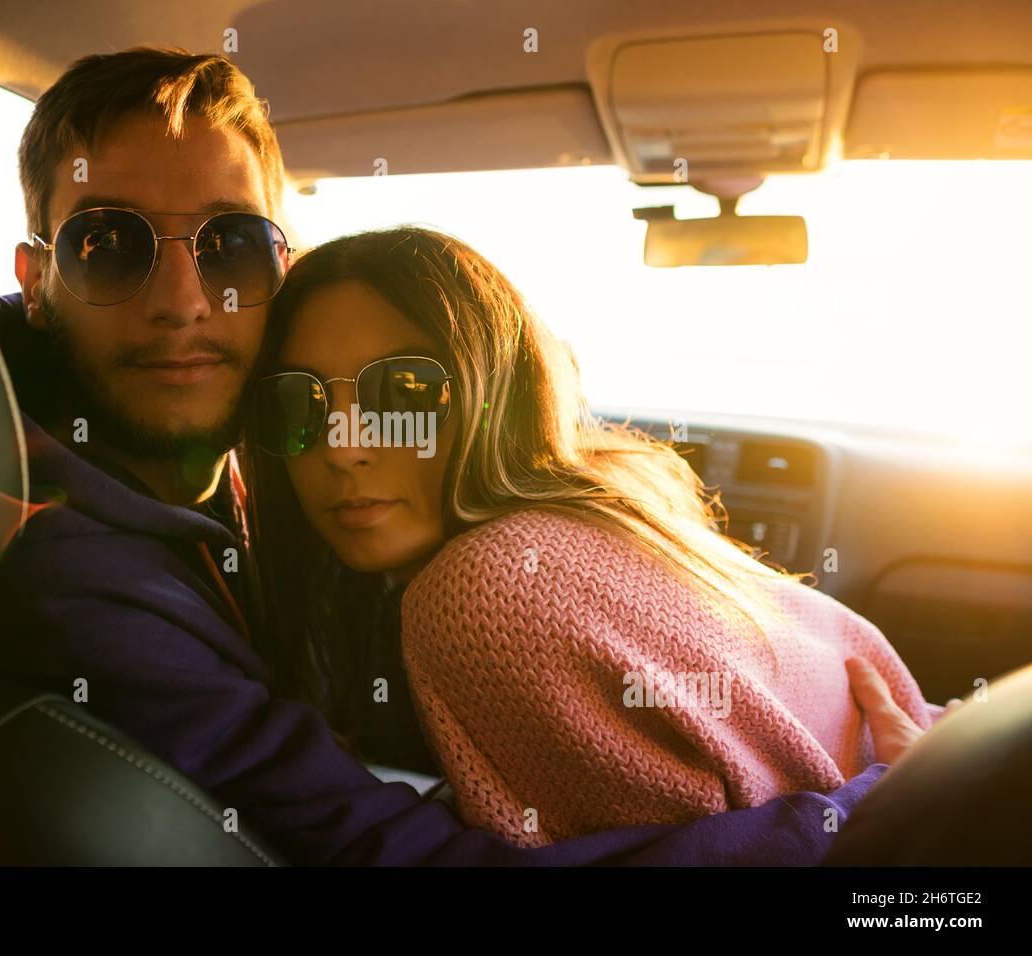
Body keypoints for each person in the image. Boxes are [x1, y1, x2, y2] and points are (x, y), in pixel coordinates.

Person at [0, 45, 915, 866]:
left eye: (231, 247)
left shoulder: (265, 453)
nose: (184, 302)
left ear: (279, 273)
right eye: (109, 246)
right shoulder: (64, 568)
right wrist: (871, 819)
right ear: (37, 282)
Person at [244, 226, 953, 847]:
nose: (342, 446)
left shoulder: (484, 586)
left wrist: (900, 799)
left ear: (499, 392)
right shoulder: (611, 505)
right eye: (299, 401)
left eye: (404, 392)